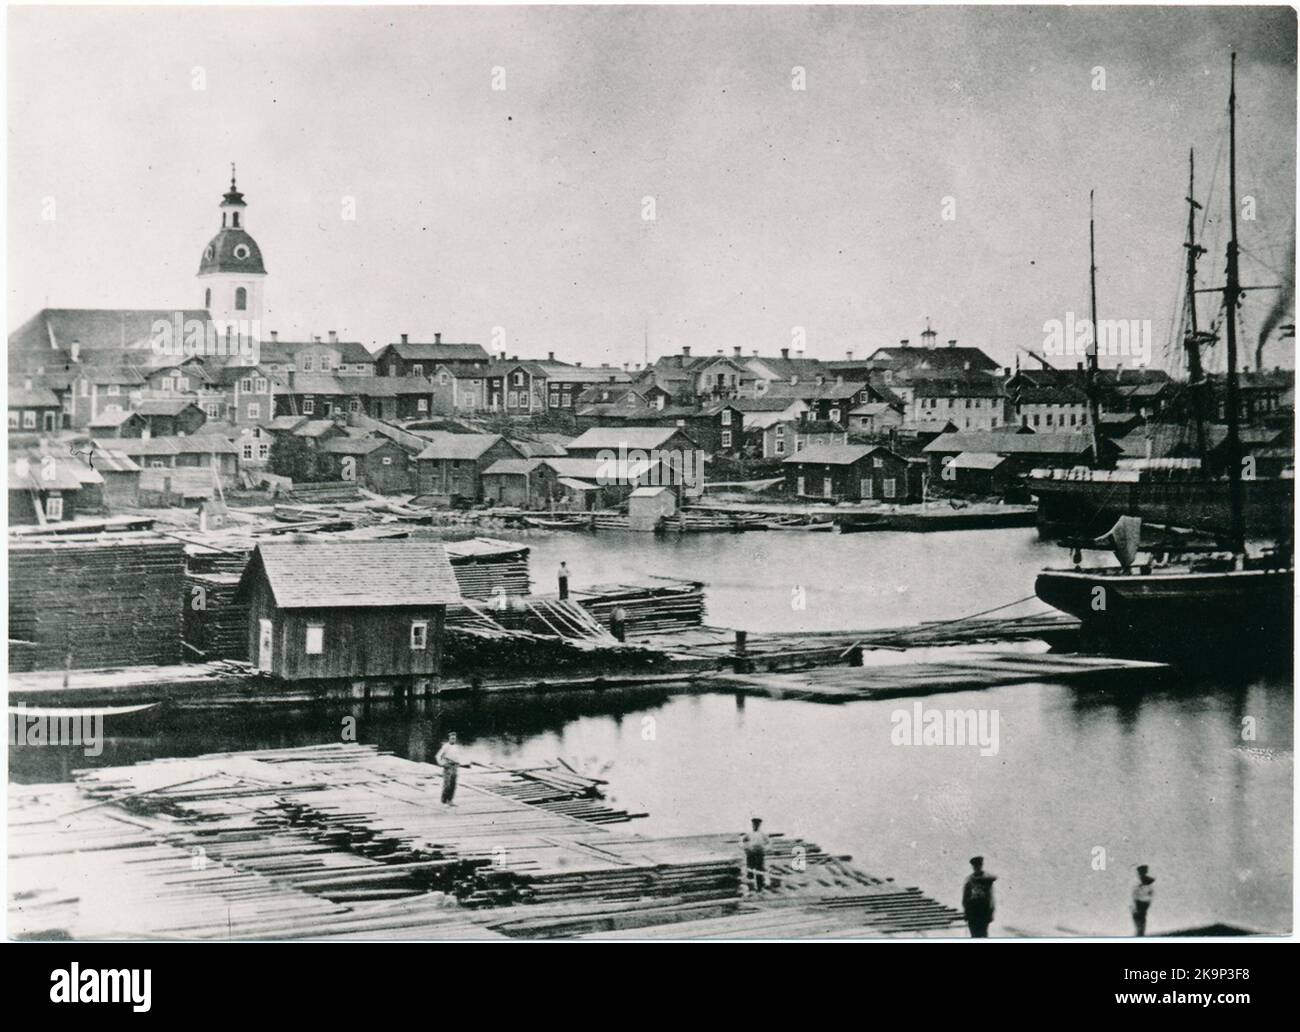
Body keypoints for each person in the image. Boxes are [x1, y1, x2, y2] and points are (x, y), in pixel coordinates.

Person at [962, 856, 997, 938]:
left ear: (981, 865)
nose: (977, 867)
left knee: (983, 935)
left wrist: (991, 912)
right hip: (972, 911)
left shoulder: (987, 879)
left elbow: (991, 897)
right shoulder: (969, 880)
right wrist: (966, 913)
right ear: (973, 867)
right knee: (974, 935)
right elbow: (965, 898)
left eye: (979, 865)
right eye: (975, 866)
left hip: (983, 911)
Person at [434, 732, 464, 807]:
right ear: (449, 738)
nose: (453, 739)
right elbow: (438, 756)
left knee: (453, 784)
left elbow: (457, 756)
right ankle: (444, 801)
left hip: (455, 766)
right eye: (452, 738)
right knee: (447, 784)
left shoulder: (456, 746)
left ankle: (450, 800)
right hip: (448, 766)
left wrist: (459, 763)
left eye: (454, 738)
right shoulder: (446, 746)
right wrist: (442, 764)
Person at [740, 817, 769, 892]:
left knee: (759, 870)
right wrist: (746, 848)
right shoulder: (749, 834)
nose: (756, 826)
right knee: (750, 870)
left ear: (759, 825)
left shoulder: (763, 834)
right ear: (752, 825)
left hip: (759, 854)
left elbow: (768, 843)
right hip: (751, 854)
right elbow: (742, 842)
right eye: (754, 824)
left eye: (757, 824)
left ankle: (760, 887)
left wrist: (764, 849)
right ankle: (751, 887)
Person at [1131, 865, 1155, 936]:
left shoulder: (1147, 882)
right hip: (1140, 904)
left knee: (1140, 924)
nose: (1139, 874)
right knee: (1140, 924)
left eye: (1141, 872)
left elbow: (1150, 893)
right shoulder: (1138, 882)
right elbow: (1135, 895)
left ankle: (1140, 935)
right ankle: (1140, 935)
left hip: (1142, 904)